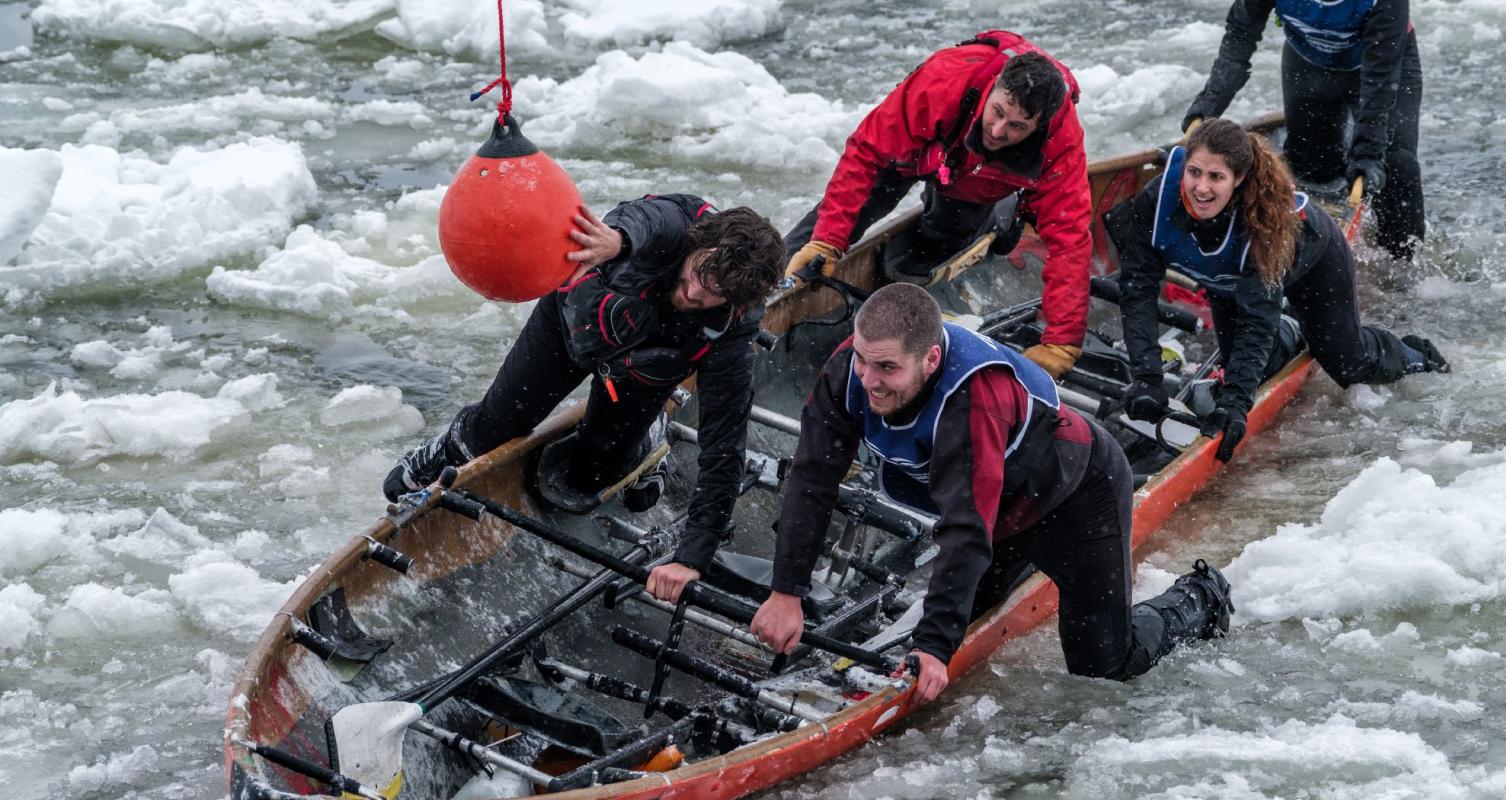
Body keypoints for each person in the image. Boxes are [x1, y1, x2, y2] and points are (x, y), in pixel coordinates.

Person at [748, 283, 1234, 706]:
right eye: (862, 359)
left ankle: (1200, 597)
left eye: (887, 368)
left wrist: (936, 649)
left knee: (1105, 666)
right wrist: (786, 590)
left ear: (931, 358)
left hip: (1074, 499)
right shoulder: (847, 373)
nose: (869, 379)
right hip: (995, 513)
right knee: (941, 619)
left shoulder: (972, 400)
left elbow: (965, 528)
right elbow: (811, 481)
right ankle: (998, 583)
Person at [383, 193, 786, 603]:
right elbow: (643, 221)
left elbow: (724, 443)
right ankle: (453, 442)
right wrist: (619, 240)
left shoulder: (732, 331)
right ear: (699, 244)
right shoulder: (673, 224)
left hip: (641, 372)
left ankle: (651, 432)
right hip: (573, 325)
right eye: (694, 275)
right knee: (496, 429)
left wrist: (694, 555)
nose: (693, 293)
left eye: (712, 294)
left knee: (585, 480)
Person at [1108, 119, 1449, 463]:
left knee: (1347, 362)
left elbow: (1257, 318)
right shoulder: (1155, 202)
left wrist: (1236, 406)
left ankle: (1417, 354)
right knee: (1255, 365)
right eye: (1194, 172)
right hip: (1233, 281)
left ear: (1238, 179)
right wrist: (1147, 377)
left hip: (1314, 261)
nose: (1201, 188)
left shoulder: (1263, 222)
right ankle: (1289, 328)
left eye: (1216, 177)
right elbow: (1137, 290)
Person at [782, 30, 1093, 380]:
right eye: (998, 112)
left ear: (1039, 126)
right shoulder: (945, 79)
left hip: (983, 180)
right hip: (920, 150)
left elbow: (1071, 236)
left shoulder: (1061, 139)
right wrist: (828, 239)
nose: (998, 129)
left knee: (937, 243)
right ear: (993, 88)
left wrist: (1060, 341)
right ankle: (766, 282)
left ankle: (1000, 218)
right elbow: (865, 154)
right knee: (825, 231)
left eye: (1017, 126)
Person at [1183, 0, 1426, 260]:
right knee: (1311, 172)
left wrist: (1368, 154)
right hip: (1310, 61)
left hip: (1383, 67)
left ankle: (1402, 270)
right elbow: (1240, 36)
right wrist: (1206, 108)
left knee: (1394, 164)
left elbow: (1380, 83)